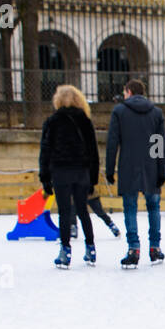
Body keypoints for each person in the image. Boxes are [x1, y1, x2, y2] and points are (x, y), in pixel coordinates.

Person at [39, 85, 105, 267]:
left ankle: (65, 251)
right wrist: (93, 178)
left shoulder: (52, 121)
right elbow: (93, 152)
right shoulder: (85, 121)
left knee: (64, 212)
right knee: (83, 210)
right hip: (81, 171)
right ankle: (90, 248)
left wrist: (45, 177)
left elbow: (45, 151)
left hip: (60, 172)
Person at [104, 78, 165, 268]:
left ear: (129, 92)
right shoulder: (156, 113)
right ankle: (155, 248)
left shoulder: (120, 112)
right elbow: (158, 144)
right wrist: (160, 170)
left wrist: (109, 169)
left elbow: (113, 143)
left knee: (130, 208)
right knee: (153, 207)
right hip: (151, 166)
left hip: (128, 166)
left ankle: (133, 248)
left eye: (124, 92)